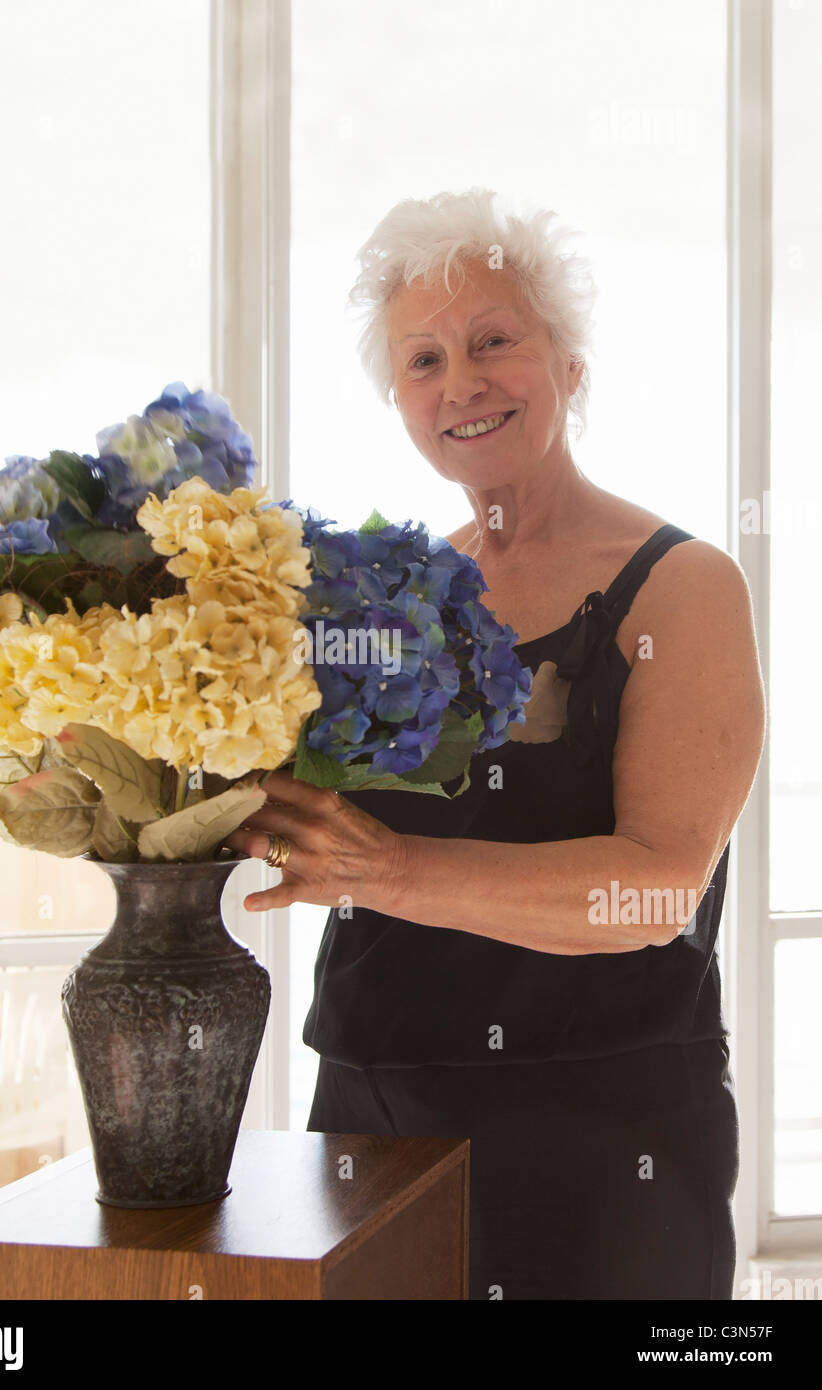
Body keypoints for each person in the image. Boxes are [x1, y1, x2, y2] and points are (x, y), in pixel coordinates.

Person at [223, 189, 766, 1300]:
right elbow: (284, 813)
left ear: (568, 364)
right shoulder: (381, 595)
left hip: (604, 1136)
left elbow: (657, 887)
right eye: (421, 361)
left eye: (492, 341)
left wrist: (388, 870)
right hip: (370, 1110)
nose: (458, 383)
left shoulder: (682, 583)